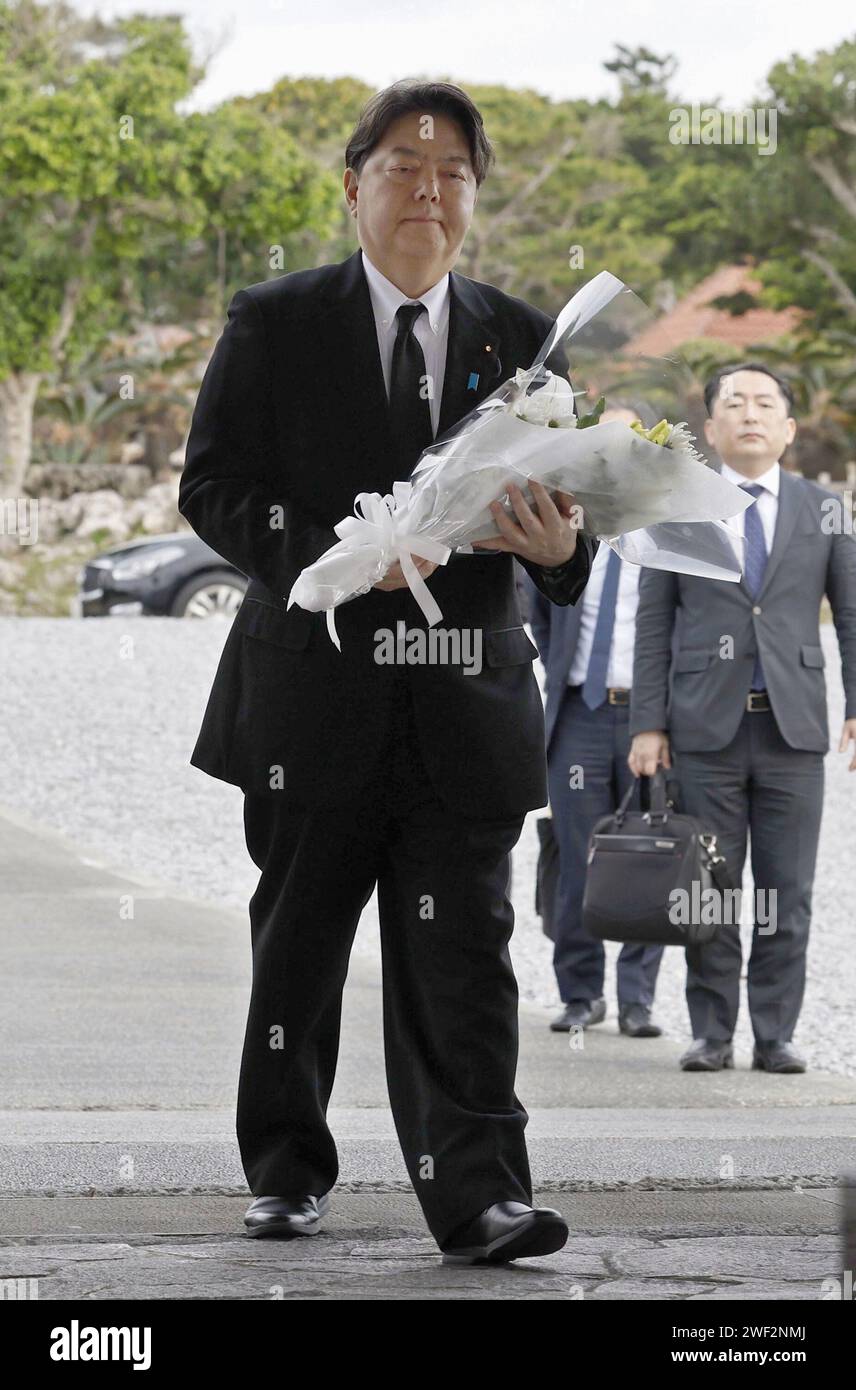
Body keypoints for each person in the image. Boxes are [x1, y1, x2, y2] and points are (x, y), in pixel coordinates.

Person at [178, 79, 598, 1264]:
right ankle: (285, 1170)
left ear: (473, 195)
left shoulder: (525, 338)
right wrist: (329, 558)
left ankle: (481, 1196)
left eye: (452, 170)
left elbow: (575, 522)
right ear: (352, 185)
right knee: (298, 948)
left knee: (463, 954)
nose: (428, 187)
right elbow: (209, 484)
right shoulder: (273, 320)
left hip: (466, 699)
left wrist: (564, 550)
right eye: (403, 165)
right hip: (309, 699)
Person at [628, 363, 856, 1073]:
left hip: (793, 730)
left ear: (789, 428)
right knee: (710, 889)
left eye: (766, 405)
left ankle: (776, 1033)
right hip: (704, 731)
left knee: (787, 892)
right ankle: (713, 1031)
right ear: (710, 428)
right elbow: (654, 623)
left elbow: (850, 615)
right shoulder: (676, 507)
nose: (750, 415)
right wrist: (648, 723)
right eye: (735, 404)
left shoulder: (825, 510)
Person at [526, 407, 665, 1040]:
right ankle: (580, 993)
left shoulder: (668, 532)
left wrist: (658, 718)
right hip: (577, 713)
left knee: (647, 857)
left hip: (646, 719)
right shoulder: (565, 524)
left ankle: (637, 997)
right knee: (577, 859)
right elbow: (542, 613)